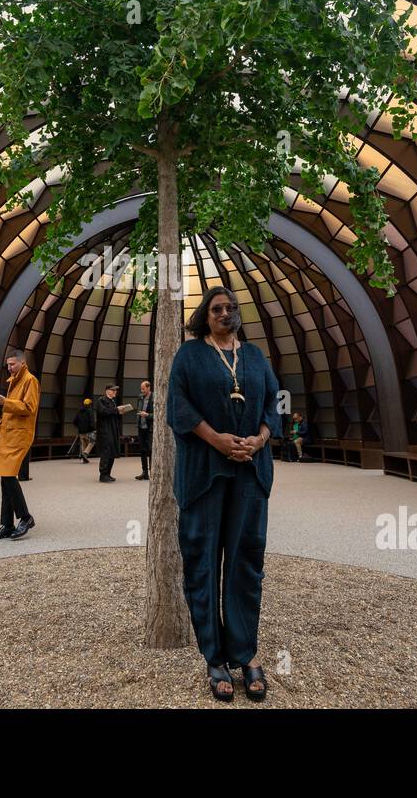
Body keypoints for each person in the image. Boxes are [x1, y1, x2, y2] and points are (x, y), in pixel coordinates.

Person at [167, 286, 281, 703]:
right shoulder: (190, 354)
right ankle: (214, 659)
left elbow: (273, 403)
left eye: (231, 308)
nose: (225, 313)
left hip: (250, 472)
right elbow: (176, 406)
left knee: (246, 563)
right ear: (205, 315)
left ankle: (245, 653)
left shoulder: (253, 356)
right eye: (217, 309)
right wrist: (216, 439)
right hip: (205, 474)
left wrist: (260, 439)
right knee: (202, 562)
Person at [0, 348, 40, 541]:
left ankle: (25, 517)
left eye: (12, 364)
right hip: (7, 436)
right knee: (5, 479)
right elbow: (10, 408)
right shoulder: (14, 381)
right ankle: (6, 524)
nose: (9, 367)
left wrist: (5, 402)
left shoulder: (29, 380)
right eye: (7, 364)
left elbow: (29, 408)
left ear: (22, 363)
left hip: (19, 436)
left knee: (8, 476)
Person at [95, 384, 123, 483]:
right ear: (107, 391)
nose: (115, 392)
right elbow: (103, 412)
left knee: (112, 451)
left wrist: (120, 413)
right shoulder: (101, 400)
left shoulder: (113, 402)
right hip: (105, 430)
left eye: (116, 390)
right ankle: (103, 475)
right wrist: (116, 410)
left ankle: (108, 474)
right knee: (106, 452)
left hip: (113, 429)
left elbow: (113, 415)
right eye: (113, 390)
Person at [135, 380, 153, 481]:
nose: (142, 390)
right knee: (142, 450)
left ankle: (152, 472)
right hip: (141, 427)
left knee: (150, 450)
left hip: (150, 428)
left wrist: (148, 415)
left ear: (149, 388)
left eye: (143, 388)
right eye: (141, 388)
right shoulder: (140, 397)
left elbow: (158, 414)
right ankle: (144, 472)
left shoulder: (154, 397)